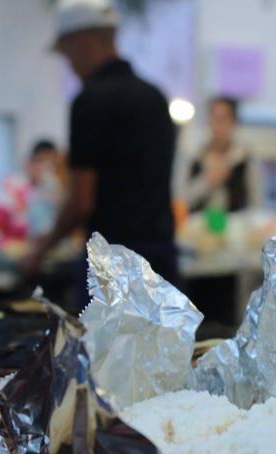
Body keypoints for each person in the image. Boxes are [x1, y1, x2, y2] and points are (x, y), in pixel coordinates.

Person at [22, 0, 178, 289]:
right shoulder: (155, 97)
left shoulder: (89, 101)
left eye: (67, 55)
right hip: (160, 258)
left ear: (79, 41)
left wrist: (41, 249)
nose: (70, 65)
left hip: (112, 265)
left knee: (100, 337)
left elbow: (82, 200)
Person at [0, 139, 63, 252]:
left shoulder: (52, 188)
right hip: (9, 254)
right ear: (30, 162)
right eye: (40, 161)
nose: (45, 168)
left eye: (51, 163)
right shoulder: (14, 188)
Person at [184, 96, 261, 214]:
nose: (218, 126)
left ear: (234, 122)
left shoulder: (244, 159)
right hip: (198, 227)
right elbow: (180, 201)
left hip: (236, 228)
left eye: (224, 119)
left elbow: (257, 205)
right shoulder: (194, 156)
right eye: (214, 118)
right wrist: (207, 181)